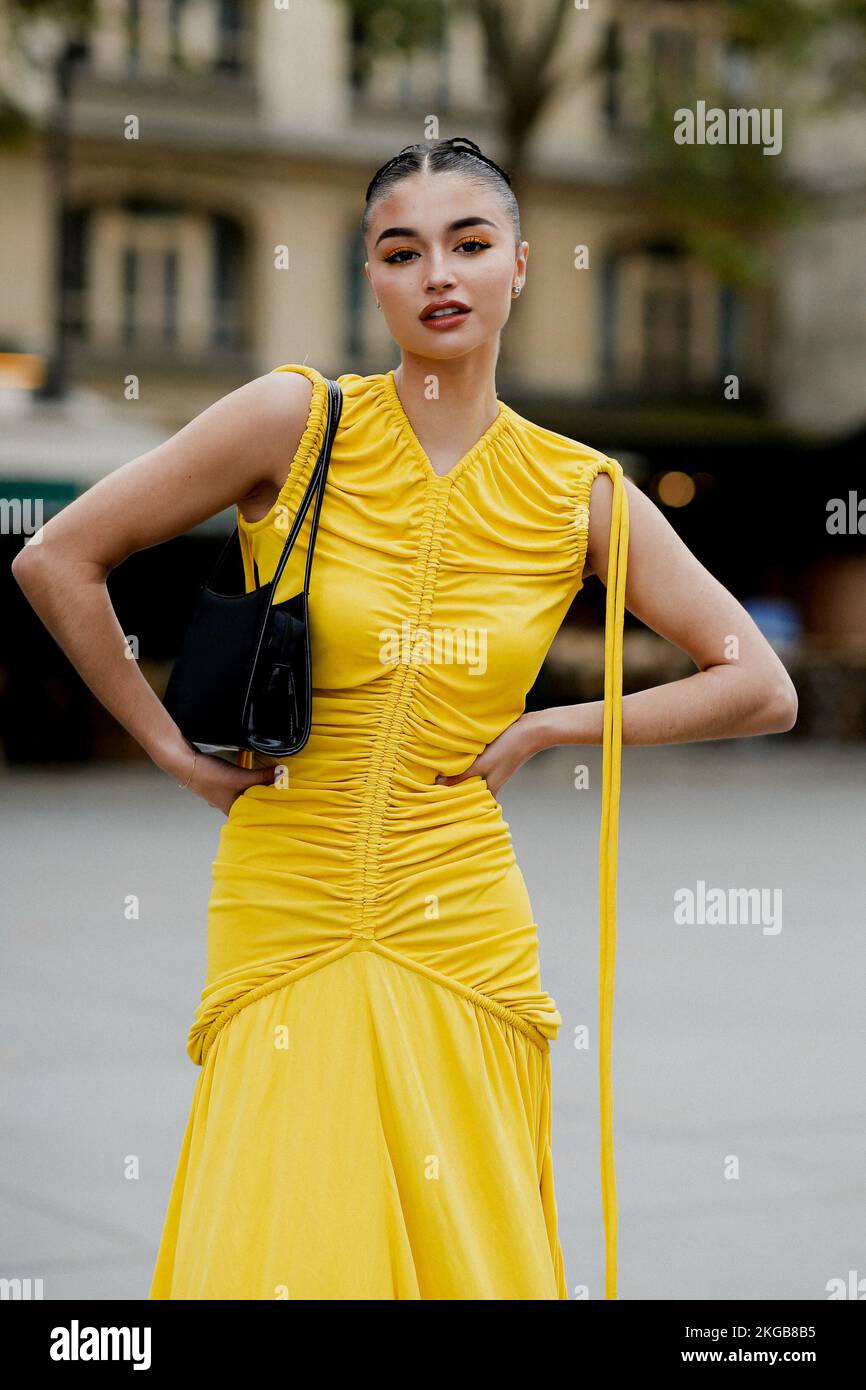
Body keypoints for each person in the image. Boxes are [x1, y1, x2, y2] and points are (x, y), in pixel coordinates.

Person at [11, 136, 798, 1300]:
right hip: (290, 880)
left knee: (458, 1241)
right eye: (401, 249)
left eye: (468, 244)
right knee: (288, 1227)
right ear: (368, 277)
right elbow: (57, 557)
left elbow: (757, 681)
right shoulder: (294, 420)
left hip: (459, 908)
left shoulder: (575, 488)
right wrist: (169, 749)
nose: (438, 272)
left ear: (518, 266)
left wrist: (551, 728)